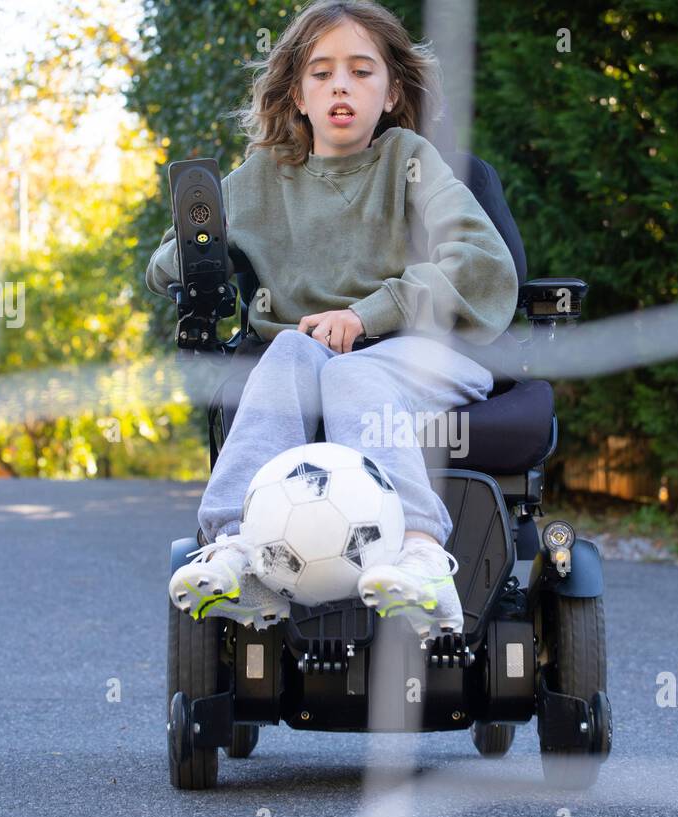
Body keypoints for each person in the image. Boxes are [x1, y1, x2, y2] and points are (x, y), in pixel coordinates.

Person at [146, 0, 518, 637]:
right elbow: (162, 264)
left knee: (353, 377)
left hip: (425, 354)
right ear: (296, 93)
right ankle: (240, 552)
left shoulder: (410, 159)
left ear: (393, 89)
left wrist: (368, 313)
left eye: (361, 70)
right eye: (320, 72)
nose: (340, 84)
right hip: (310, 357)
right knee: (287, 353)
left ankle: (424, 557)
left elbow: (480, 261)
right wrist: (199, 256)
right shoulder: (263, 177)